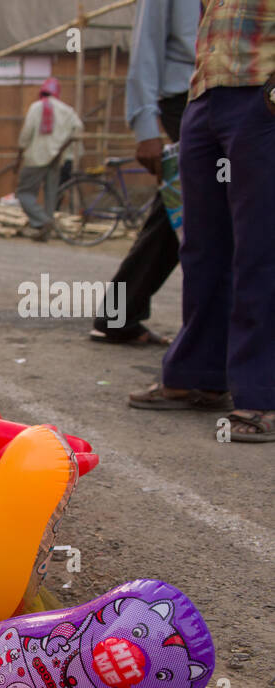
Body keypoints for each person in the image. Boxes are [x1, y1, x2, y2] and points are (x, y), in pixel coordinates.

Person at [129, 0, 275, 442]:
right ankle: (200, 374)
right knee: (202, 249)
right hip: (205, 95)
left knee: (260, 247)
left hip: (260, 93)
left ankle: (262, 394)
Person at [91, 0, 199, 346]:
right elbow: (145, 46)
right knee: (194, 209)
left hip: (228, 95)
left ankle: (119, 314)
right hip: (184, 97)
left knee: (176, 211)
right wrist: (144, 122)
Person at [15, 77, 83, 241]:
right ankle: (46, 228)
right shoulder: (67, 110)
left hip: (35, 158)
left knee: (24, 193)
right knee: (50, 195)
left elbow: (26, 134)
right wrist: (63, 148)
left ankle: (44, 222)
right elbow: (78, 129)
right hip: (56, 158)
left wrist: (19, 156)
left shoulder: (36, 107)